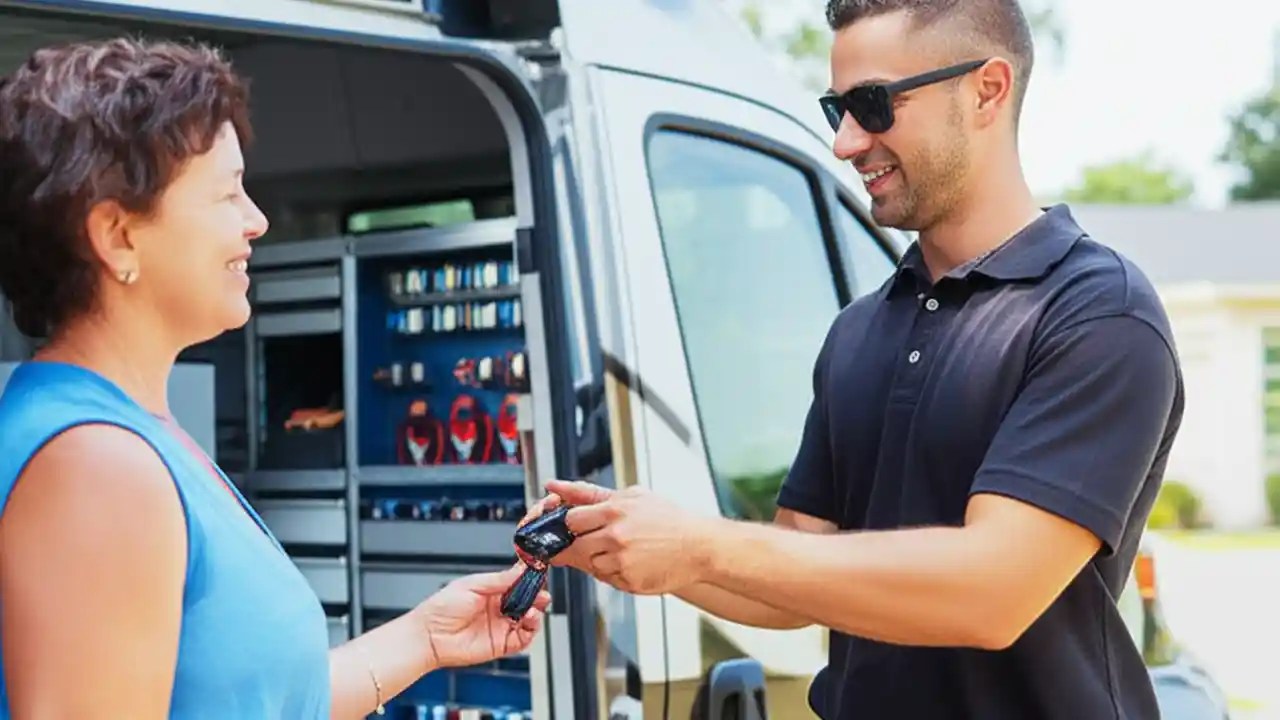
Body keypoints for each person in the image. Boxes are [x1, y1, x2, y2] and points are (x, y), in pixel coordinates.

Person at [520, 1, 1184, 718]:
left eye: (873, 105)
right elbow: (788, 576)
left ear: (987, 89)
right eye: (838, 107)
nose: (844, 141)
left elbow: (993, 593)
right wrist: (627, 543)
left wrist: (703, 545)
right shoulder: (859, 330)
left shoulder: (1098, 314)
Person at [0, 38, 546, 718]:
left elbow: (253, 701)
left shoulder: (132, 434)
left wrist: (425, 639)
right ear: (117, 236)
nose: (256, 221)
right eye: (227, 193)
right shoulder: (96, 467)